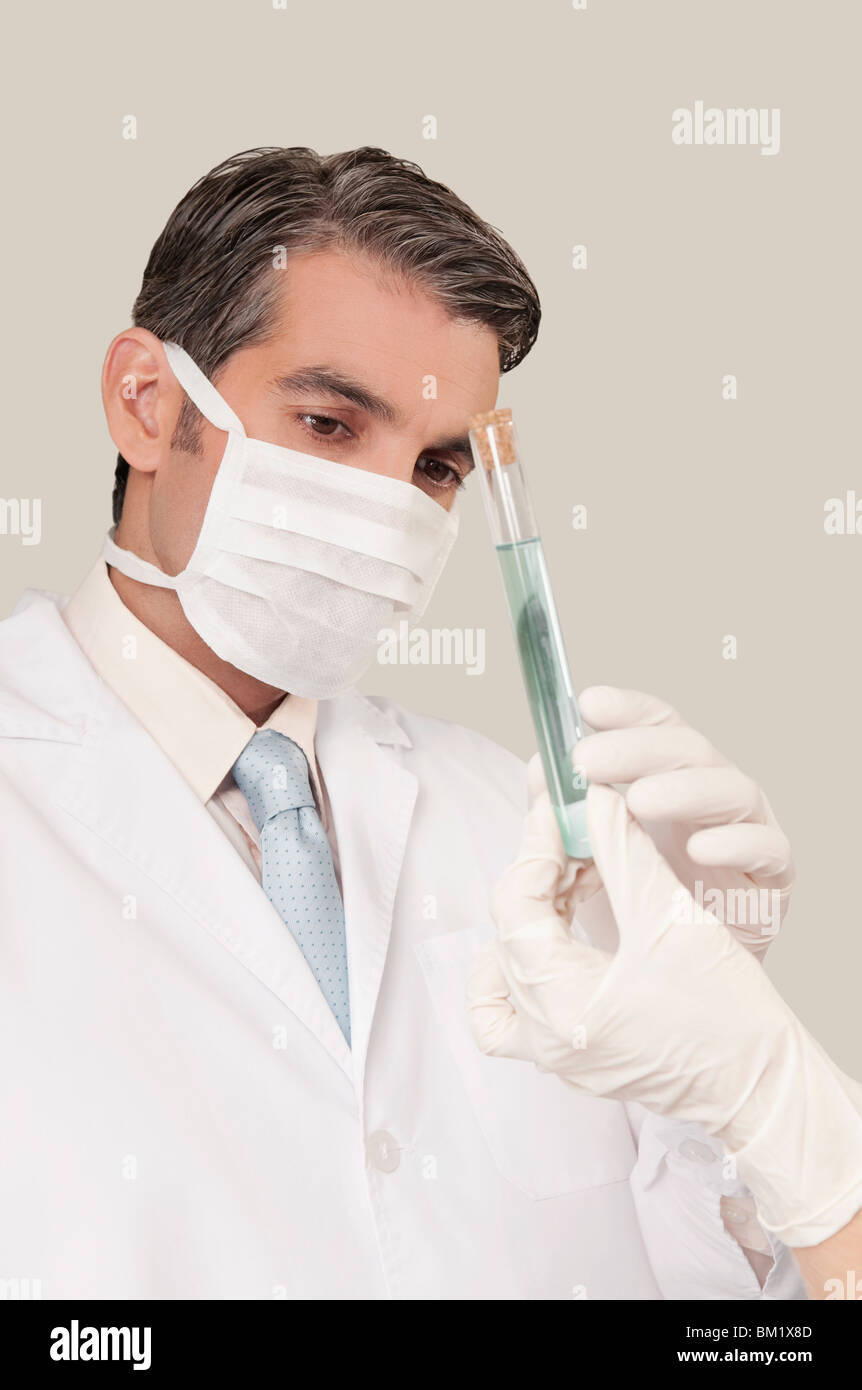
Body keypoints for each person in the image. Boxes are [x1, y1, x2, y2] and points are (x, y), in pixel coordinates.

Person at [0, 145, 830, 1300]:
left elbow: (730, 1314)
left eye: (437, 466)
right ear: (146, 402)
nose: (385, 505)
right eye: (331, 424)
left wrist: (718, 1065)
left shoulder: (513, 822)